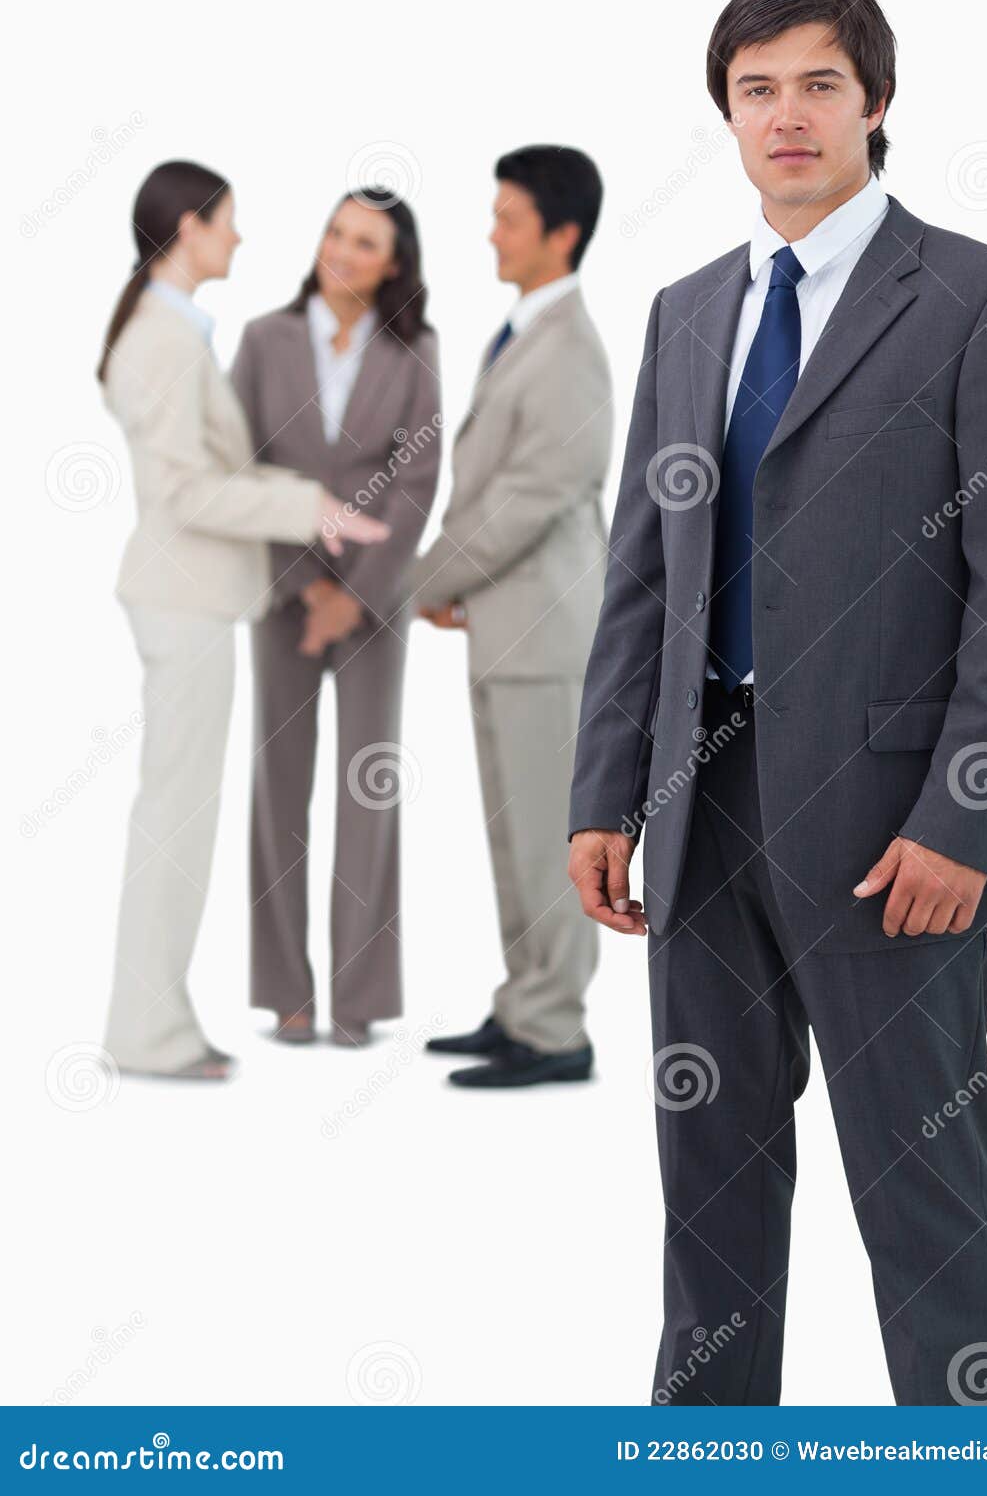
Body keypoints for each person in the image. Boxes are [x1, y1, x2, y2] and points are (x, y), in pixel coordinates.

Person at [567, 0, 987, 1404]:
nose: (785, 115)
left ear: (875, 101)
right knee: (707, 1163)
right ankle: (704, 1440)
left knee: (918, 1170)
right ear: (725, 115)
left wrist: (965, 817)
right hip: (699, 798)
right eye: (754, 89)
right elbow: (641, 579)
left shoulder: (984, 301)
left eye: (815, 84)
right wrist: (605, 790)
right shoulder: (681, 312)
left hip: (887, 824)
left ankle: (958, 1452)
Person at [99, 160, 388, 1081]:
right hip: (183, 600)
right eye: (226, 222)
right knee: (174, 820)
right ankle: (147, 1033)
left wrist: (318, 506)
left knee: (177, 813)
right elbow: (186, 492)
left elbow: (210, 474)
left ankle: (153, 1020)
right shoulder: (161, 339)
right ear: (188, 228)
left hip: (193, 601)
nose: (239, 237)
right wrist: (308, 509)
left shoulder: (173, 329)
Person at [409, 147, 612, 1088]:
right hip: (506, 628)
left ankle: (554, 1030)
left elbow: (529, 497)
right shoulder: (521, 332)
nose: (491, 232)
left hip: (544, 637)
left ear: (560, 233)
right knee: (512, 836)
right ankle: (522, 1003)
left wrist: (425, 579)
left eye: (507, 218)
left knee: (543, 840)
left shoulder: (569, 348)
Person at [231, 190, 440, 1047]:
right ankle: (287, 992)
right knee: (277, 788)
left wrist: (349, 592)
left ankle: (356, 998)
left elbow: (416, 479)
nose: (342, 252)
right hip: (282, 597)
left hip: (373, 600)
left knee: (368, 791)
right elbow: (238, 467)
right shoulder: (264, 339)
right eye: (334, 234)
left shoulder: (415, 349)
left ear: (393, 261)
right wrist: (301, 586)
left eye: (364, 242)